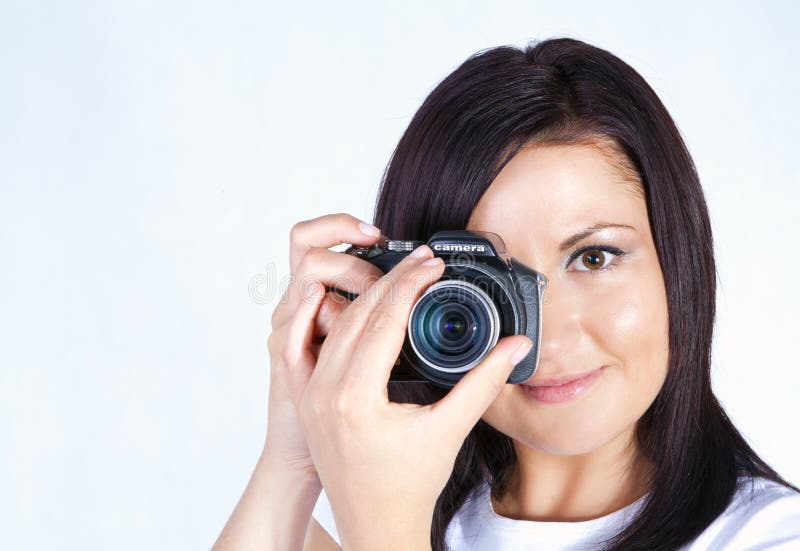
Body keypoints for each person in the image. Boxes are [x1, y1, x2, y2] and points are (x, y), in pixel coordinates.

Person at [212, 38, 800, 551]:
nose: (549, 337)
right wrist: (296, 449)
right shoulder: (387, 514)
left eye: (594, 258)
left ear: (679, 262)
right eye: (492, 285)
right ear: (408, 302)